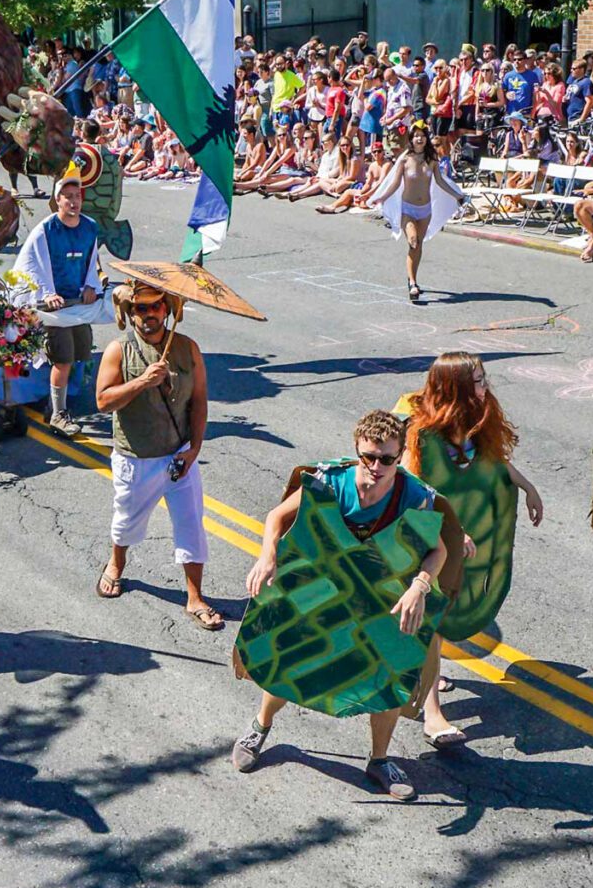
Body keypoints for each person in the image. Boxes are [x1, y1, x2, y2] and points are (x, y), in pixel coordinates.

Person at [232, 410, 449, 801]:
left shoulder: (414, 496)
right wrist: (268, 556)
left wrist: (420, 584)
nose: (377, 466)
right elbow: (277, 517)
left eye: (387, 458)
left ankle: (379, 760)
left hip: (378, 595)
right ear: (357, 451)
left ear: (399, 456)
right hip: (322, 587)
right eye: (369, 456)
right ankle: (259, 727)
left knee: (387, 676)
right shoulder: (331, 481)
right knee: (290, 660)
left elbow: (438, 550)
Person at [398, 353, 542, 746]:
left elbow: (494, 460)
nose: (485, 386)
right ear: (455, 387)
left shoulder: (476, 423)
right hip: (429, 535)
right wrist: (449, 530)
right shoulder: (423, 435)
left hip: (466, 534)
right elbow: (412, 490)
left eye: (483, 378)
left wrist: (527, 487)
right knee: (430, 615)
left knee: (445, 611)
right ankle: (433, 716)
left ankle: (423, 671)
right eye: (477, 381)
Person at [93, 279, 220, 629]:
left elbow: (199, 401)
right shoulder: (119, 350)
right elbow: (103, 401)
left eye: (156, 306)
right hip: (137, 457)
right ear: (130, 313)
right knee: (127, 521)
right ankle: (116, 562)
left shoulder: (188, 348)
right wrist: (141, 383)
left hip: (179, 455)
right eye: (141, 308)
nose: (150, 314)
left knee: (191, 524)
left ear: (168, 309)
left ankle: (195, 597)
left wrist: (194, 449)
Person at [14, 171, 103, 433]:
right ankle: (58, 415)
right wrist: (46, 293)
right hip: (53, 309)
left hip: (76, 305)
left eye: (77, 197)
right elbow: (33, 264)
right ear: (58, 200)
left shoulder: (89, 227)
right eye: (68, 197)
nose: (74, 202)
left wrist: (91, 286)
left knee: (78, 354)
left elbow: (91, 261)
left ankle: (55, 404)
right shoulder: (46, 230)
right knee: (62, 359)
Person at [366, 125, 468, 300]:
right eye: (416, 136)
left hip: (425, 209)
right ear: (411, 140)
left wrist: (458, 196)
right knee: (413, 241)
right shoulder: (405, 160)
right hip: (408, 208)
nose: (419, 139)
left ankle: (413, 278)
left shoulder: (432, 159)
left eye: (422, 136)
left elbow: (441, 182)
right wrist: (381, 197)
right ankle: (412, 283)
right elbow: (395, 183)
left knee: (418, 245)